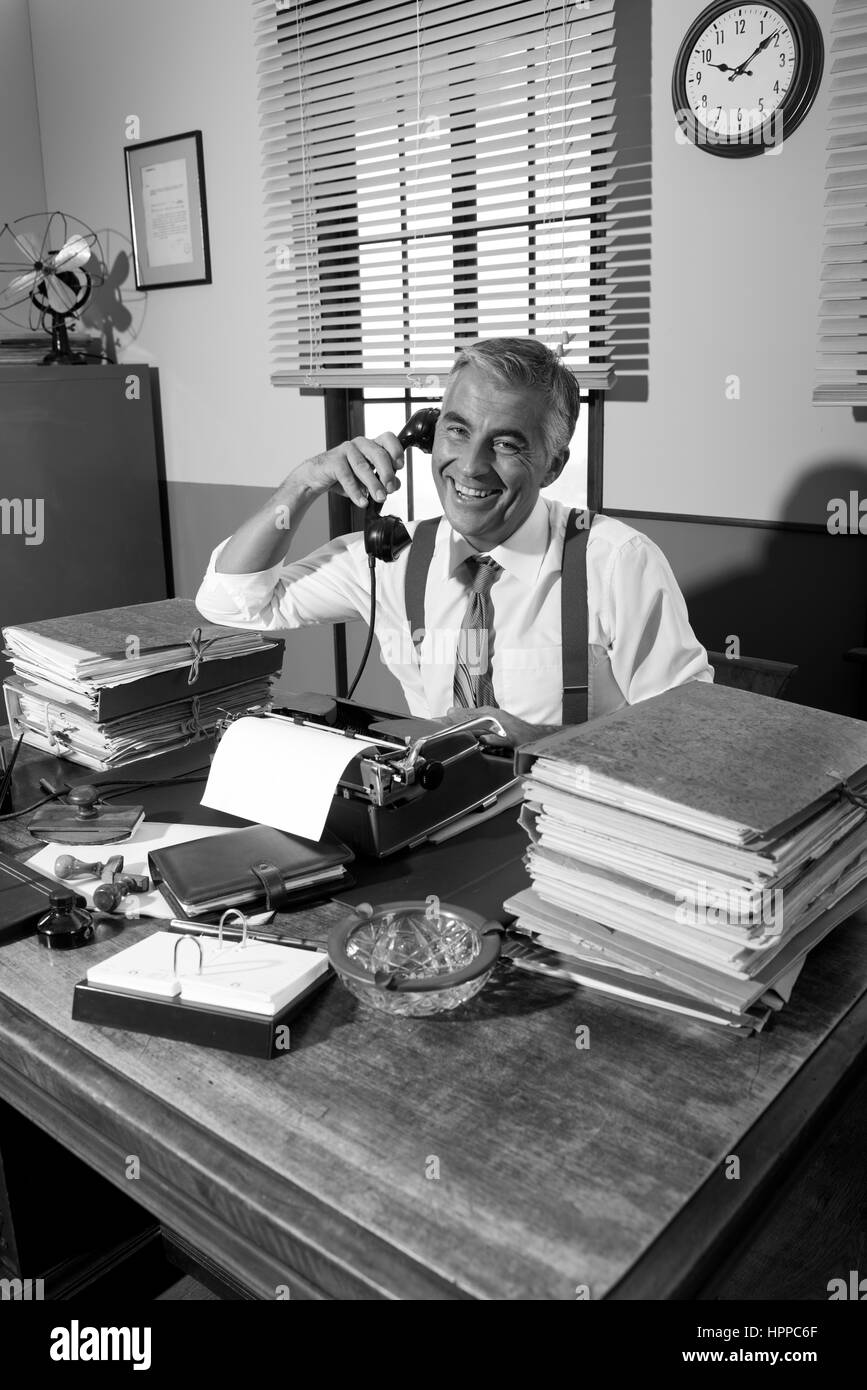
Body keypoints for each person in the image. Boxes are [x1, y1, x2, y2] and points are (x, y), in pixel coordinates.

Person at [195, 337, 712, 747]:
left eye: (506, 443)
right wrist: (303, 482)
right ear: (428, 434)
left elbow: (684, 736)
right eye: (457, 431)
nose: (469, 466)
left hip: (571, 825)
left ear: (553, 465)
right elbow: (232, 604)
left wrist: (544, 743)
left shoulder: (617, 561)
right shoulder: (393, 557)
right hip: (436, 823)